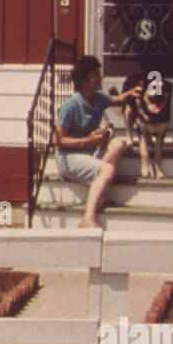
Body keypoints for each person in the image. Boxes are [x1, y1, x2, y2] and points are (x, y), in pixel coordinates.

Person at [51, 55, 141, 229]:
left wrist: (132, 92)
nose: (100, 78)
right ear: (85, 82)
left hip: (88, 152)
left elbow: (118, 100)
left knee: (118, 144)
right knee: (107, 170)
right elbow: (56, 140)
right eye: (95, 75)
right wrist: (88, 140)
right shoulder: (71, 105)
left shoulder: (98, 98)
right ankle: (88, 218)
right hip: (69, 158)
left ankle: (99, 191)